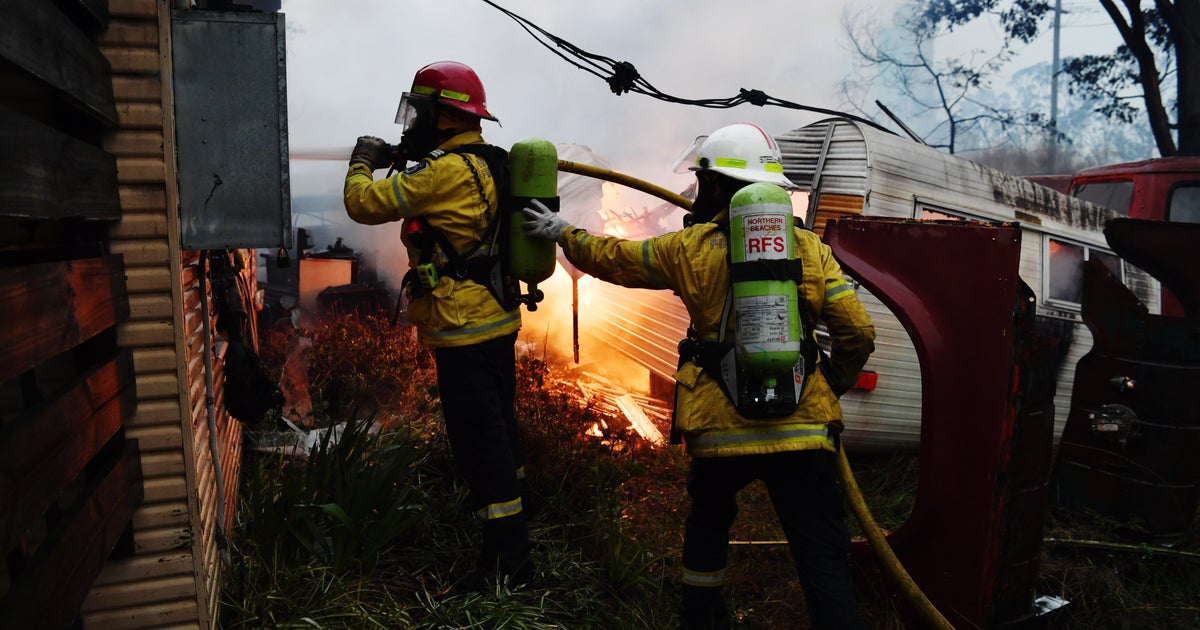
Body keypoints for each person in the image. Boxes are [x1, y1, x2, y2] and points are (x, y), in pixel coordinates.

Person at [522, 122, 876, 629]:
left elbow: (614, 259)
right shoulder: (812, 251)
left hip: (720, 429)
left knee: (707, 531)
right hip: (804, 427)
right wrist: (827, 385)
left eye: (701, 182)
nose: (695, 192)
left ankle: (702, 618)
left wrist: (563, 234)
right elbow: (858, 334)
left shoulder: (690, 249)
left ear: (717, 186)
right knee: (821, 552)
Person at [343, 60, 531, 588]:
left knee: (481, 442)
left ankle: (509, 566)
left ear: (444, 116)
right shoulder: (489, 160)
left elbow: (363, 204)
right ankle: (514, 531)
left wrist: (363, 160)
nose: (413, 121)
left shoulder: (445, 173)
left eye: (421, 111)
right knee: (500, 431)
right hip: (495, 317)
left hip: (461, 324)